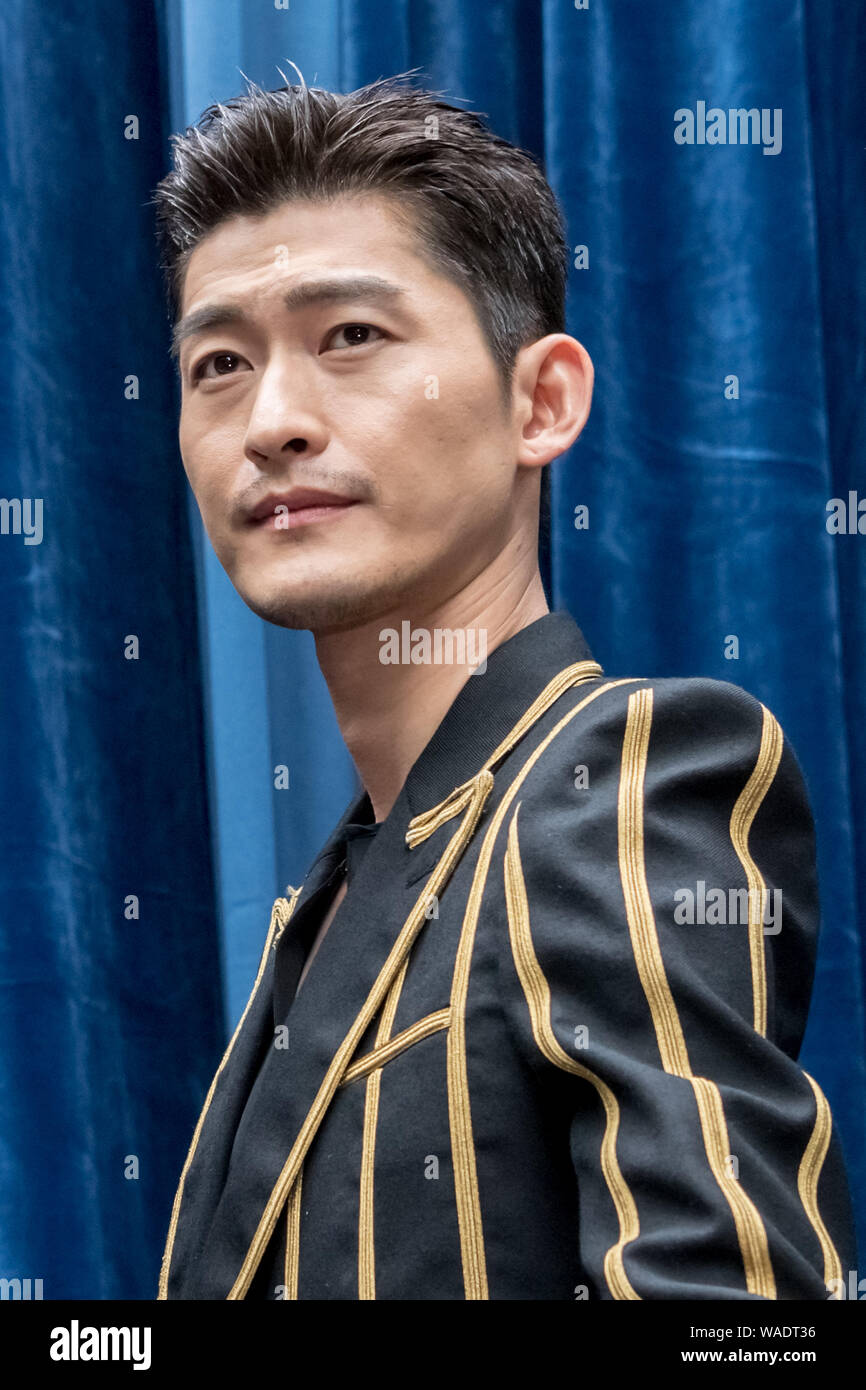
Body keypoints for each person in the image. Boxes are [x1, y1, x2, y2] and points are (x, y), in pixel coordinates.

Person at [152, 71, 855, 1300]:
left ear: (541, 401)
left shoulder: (619, 775)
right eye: (218, 361)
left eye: (349, 337)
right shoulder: (336, 893)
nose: (270, 419)